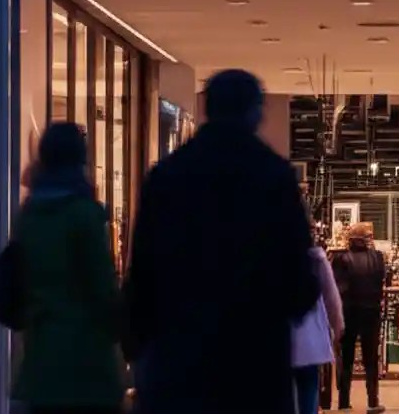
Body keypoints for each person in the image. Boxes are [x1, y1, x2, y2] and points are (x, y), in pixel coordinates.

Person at [125, 70, 318, 414]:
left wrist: (139, 343)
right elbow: (298, 278)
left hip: (180, 357)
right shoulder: (274, 178)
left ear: (207, 109)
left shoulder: (167, 177)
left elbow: (143, 272)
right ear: (255, 113)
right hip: (255, 358)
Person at [12, 122, 124, 414]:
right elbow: (102, 288)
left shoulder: (29, 216)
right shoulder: (84, 214)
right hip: (86, 366)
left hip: (40, 364)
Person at [331, 221, 387, 413]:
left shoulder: (341, 259)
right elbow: (382, 280)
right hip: (371, 312)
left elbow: (337, 287)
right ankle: (373, 401)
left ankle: (344, 402)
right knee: (371, 359)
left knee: (346, 358)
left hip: (349, 312)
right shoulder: (378, 258)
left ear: (350, 240)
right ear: (367, 240)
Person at [293, 235, 344, 414]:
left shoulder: (263, 254)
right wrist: (337, 326)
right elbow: (331, 297)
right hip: (309, 339)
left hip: (277, 340)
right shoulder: (315, 258)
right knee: (308, 391)